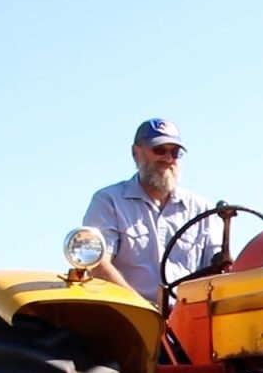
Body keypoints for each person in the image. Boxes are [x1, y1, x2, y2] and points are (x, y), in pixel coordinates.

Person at [82, 118, 220, 304]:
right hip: (130, 318)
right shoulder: (109, 201)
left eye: (175, 152)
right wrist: (143, 310)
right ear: (135, 153)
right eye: (159, 150)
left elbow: (220, 270)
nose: (168, 158)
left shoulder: (202, 210)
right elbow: (97, 263)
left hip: (189, 319)